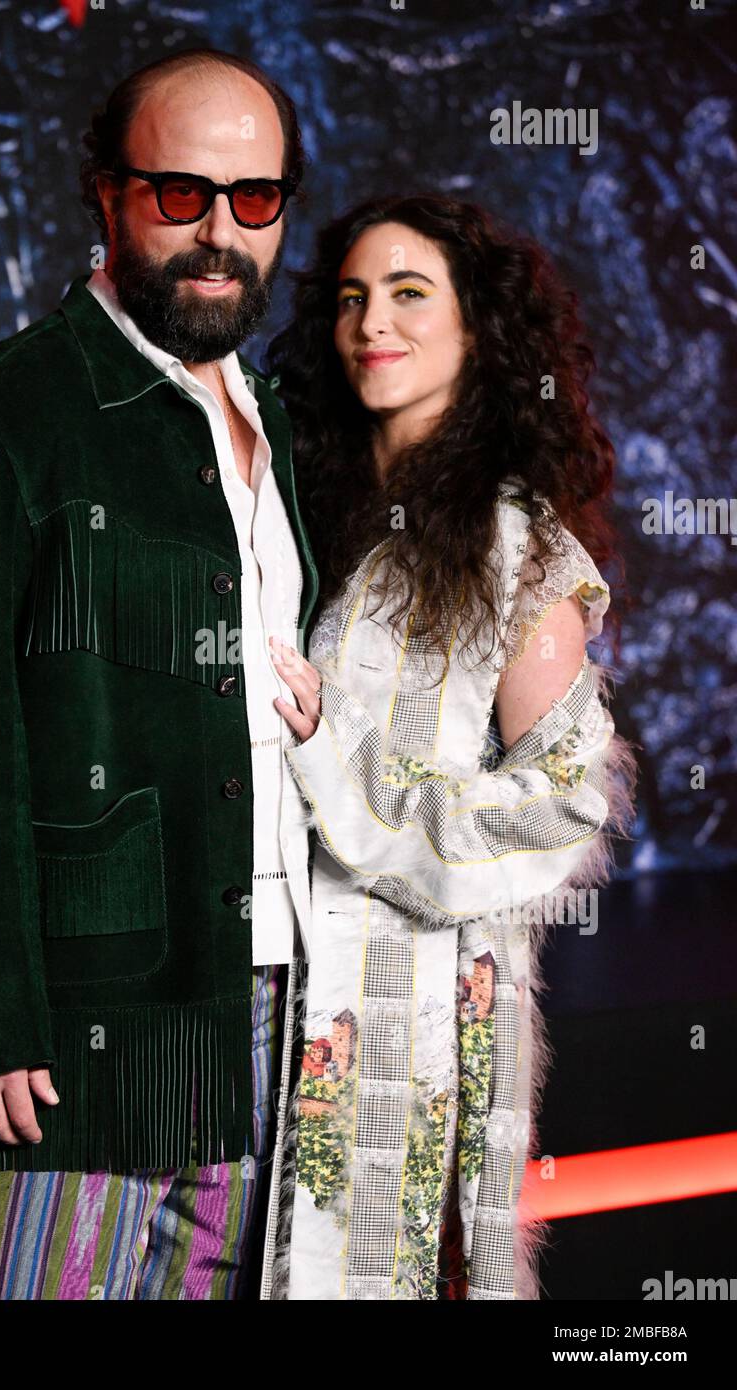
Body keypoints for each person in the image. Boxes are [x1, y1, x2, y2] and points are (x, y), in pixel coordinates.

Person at [0, 47, 322, 1300]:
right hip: (62, 1033)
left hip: (264, 1001)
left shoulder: (277, 423)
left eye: (255, 199)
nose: (219, 233)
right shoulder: (3, 418)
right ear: (104, 196)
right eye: (180, 195)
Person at [258, 195, 638, 1300]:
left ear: (479, 330)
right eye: (351, 298)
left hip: (415, 1005)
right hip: (269, 993)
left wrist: (341, 773)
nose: (372, 320)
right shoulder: (293, 509)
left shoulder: (517, 549)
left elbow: (562, 803)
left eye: (410, 294)